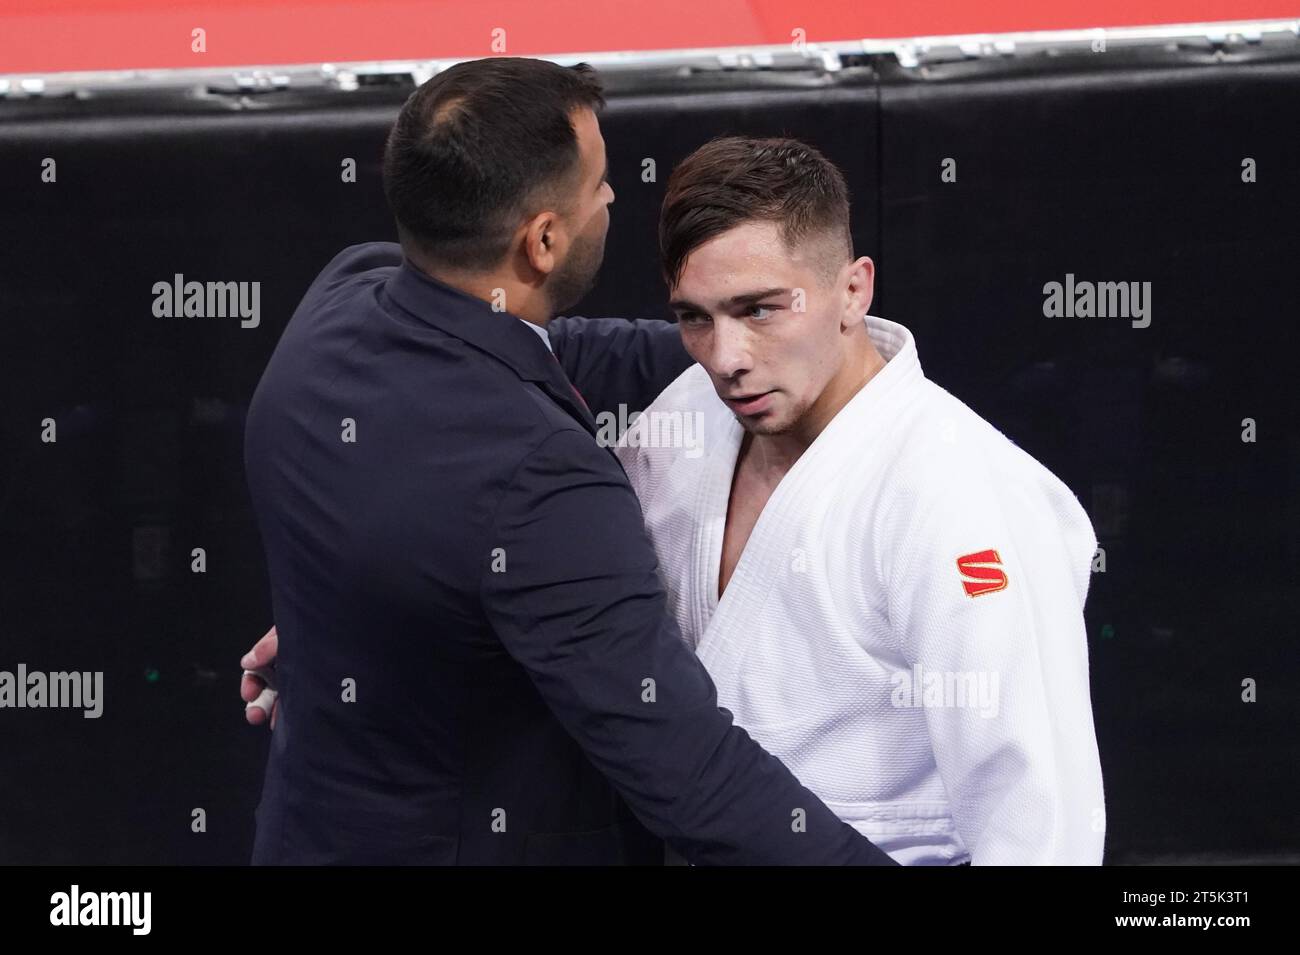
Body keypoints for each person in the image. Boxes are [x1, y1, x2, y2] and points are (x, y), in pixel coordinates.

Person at [241, 57, 894, 866]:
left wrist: (758, 345)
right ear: (544, 240)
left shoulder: (342, 300)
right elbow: (690, 774)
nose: (614, 199)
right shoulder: (545, 481)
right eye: (600, 187)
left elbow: (552, 354)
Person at [616, 136, 1106, 864]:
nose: (726, 357)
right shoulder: (678, 425)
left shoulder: (962, 490)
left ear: (853, 290)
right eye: (695, 317)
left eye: (759, 309)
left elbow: (1037, 818)